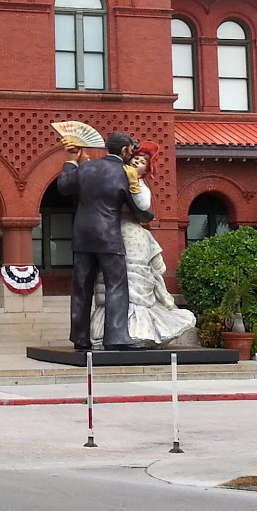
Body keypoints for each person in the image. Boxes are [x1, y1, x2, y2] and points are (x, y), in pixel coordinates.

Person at [90, 142, 194, 347]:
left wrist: (134, 184)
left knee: (137, 280)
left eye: (142, 163)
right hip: (112, 233)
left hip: (135, 236)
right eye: (135, 160)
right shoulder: (114, 180)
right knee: (114, 281)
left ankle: (139, 330)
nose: (137, 163)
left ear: (146, 169)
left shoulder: (140, 186)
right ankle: (110, 331)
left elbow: (143, 206)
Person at [57, 129, 153, 351]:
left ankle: (80, 337)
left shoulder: (87, 167)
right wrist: (146, 214)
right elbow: (139, 212)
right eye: (132, 148)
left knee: (81, 288)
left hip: (82, 235)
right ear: (124, 149)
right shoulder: (125, 172)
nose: (133, 152)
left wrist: (72, 161)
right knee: (116, 286)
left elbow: (63, 186)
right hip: (108, 237)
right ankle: (116, 336)